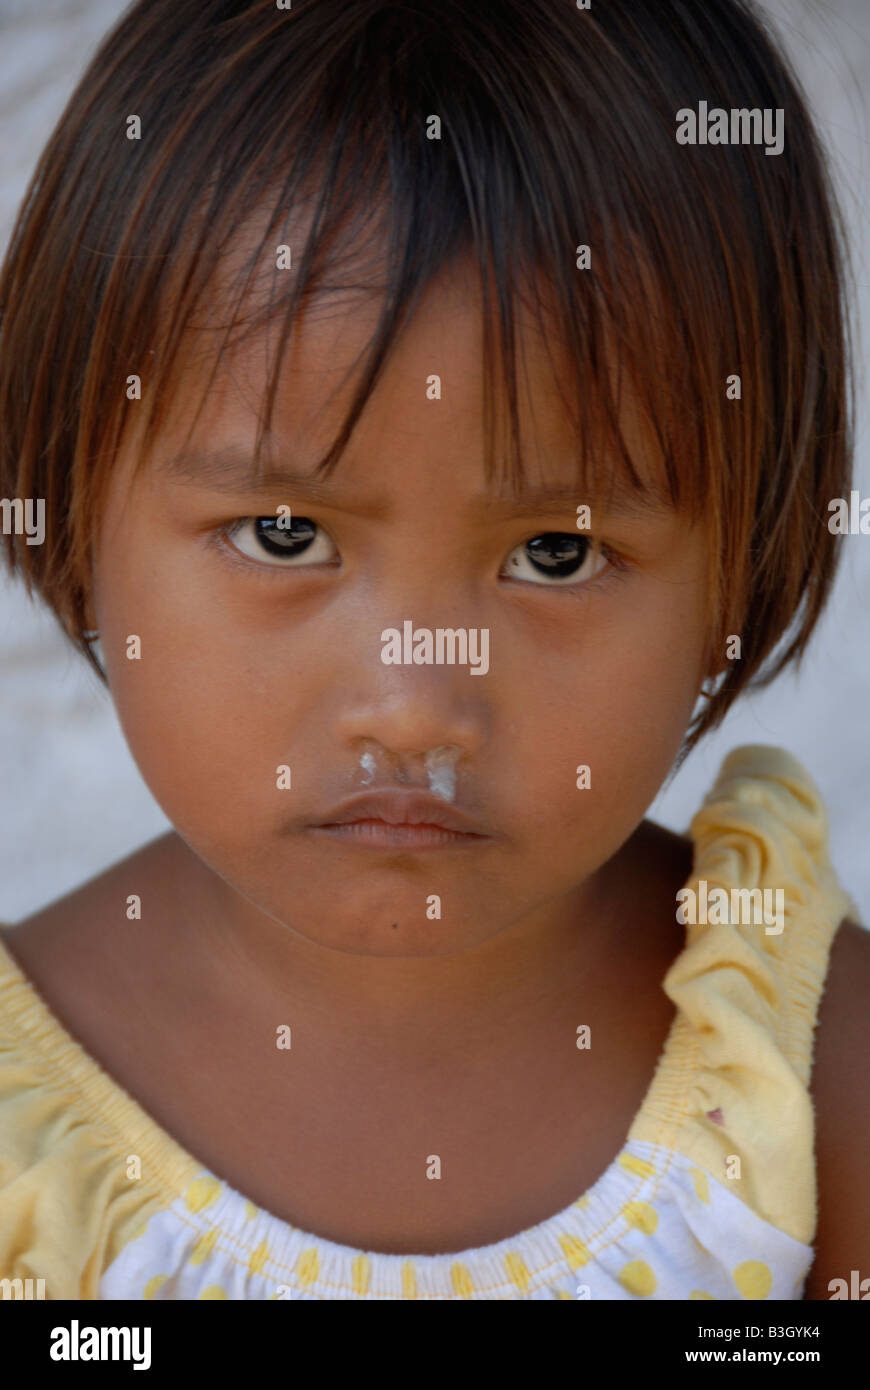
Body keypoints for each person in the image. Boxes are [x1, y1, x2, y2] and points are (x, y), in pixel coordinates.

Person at [0, 0, 867, 1301]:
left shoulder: (804, 1077)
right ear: (68, 510)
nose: (412, 709)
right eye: (283, 533)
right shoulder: (27, 1150)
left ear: (743, 566)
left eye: (557, 555)